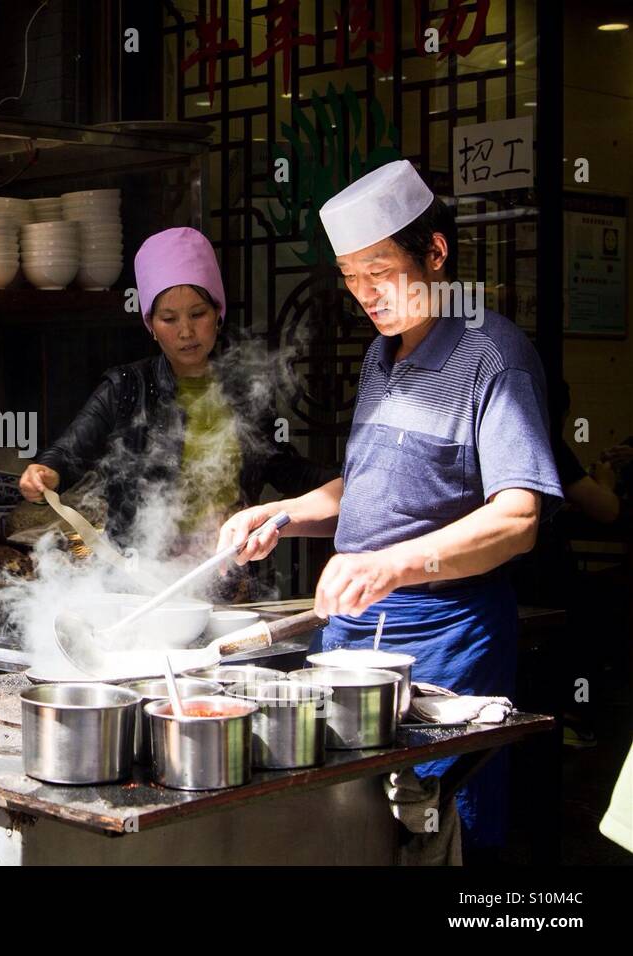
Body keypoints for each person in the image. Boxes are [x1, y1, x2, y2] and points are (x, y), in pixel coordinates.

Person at [217, 160, 564, 853]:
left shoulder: (494, 356)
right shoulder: (383, 356)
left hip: (444, 640)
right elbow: (370, 487)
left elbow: (518, 517)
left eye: (378, 271)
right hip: (350, 636)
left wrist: (391, 567)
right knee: (351, 827)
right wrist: (284, 513)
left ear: (435, 254)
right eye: (350, 275)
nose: (363, 293)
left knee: (440, 828)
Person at [18, 226, 333, 599]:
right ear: (150, 325)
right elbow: (68, 453)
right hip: (138, 579)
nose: (186, 331)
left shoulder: (243, 392)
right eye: (169, 319)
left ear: (218, 312)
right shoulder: (126, 387)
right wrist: (44, 474)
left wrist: (352, 485)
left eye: (198, 313)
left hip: (225, 575)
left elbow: (282, 466)